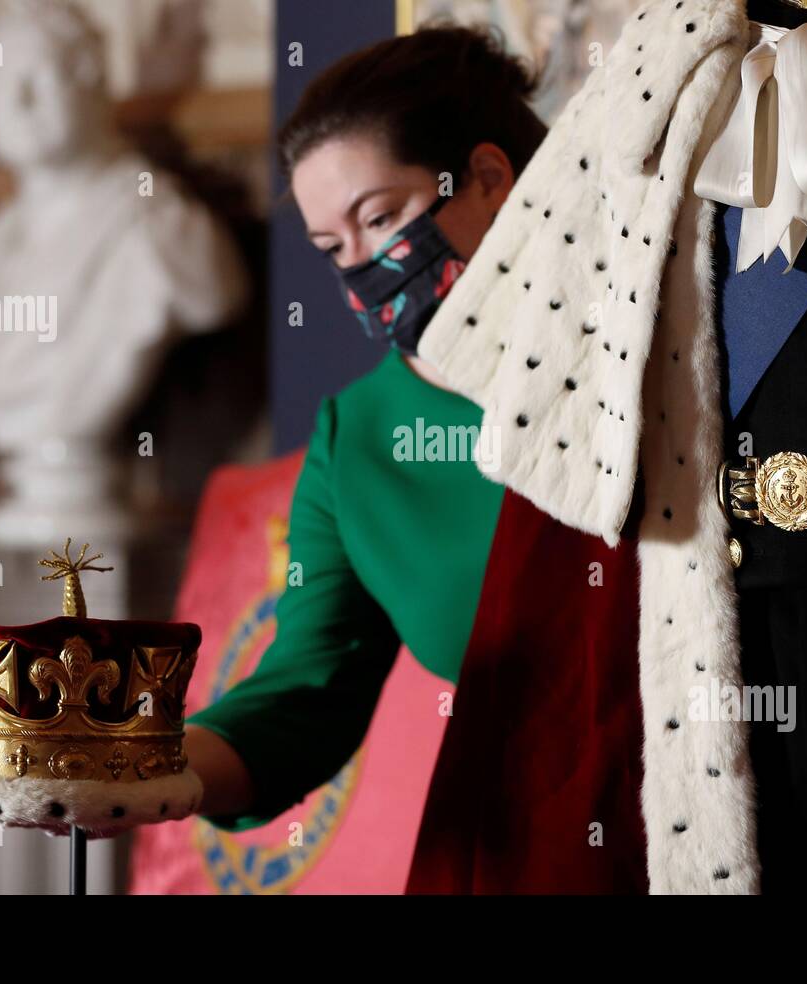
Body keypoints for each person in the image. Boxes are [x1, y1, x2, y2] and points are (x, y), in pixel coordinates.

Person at [184, 24, 554, 849]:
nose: (361, 268)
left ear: (489, 179)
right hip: (529, 838)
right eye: (330, 247)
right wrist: (143, 765)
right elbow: (306, 690)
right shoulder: (360, 437)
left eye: (380, 217)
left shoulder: (661, 347)